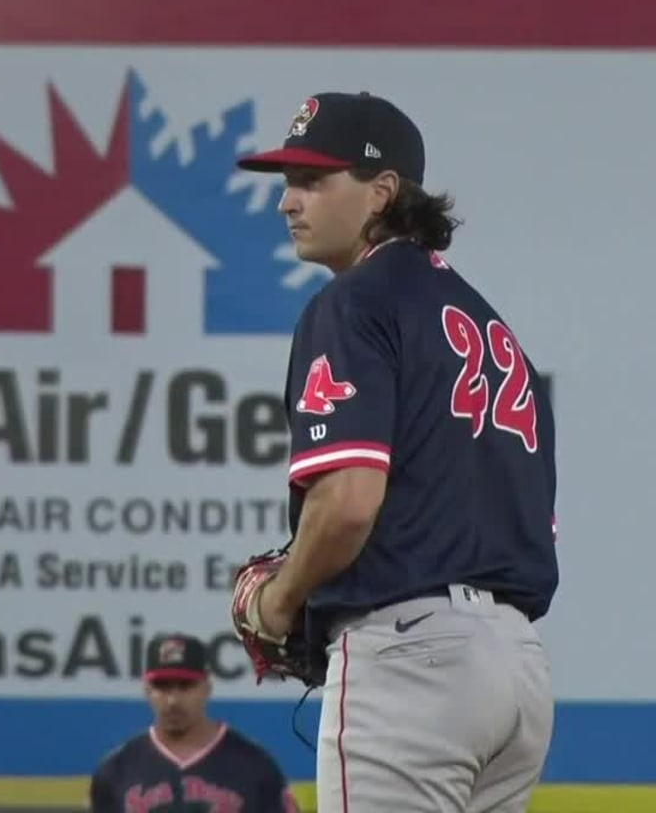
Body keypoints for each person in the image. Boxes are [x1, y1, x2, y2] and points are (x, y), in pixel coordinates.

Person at [231, 92, 560, 812]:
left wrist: (280, 603)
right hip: (517, 670)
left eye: (314, 181)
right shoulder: (493, 331)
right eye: (288, 182)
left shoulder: (355, 302)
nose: (289, 202)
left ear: (382, 192)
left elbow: (348, 503)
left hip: (414, 661)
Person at [89, 633, 300, 812]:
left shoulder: (255, 766)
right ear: (147, 689)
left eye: (185, 686)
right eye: (162, 686)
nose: (173, 700)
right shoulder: (116, 771)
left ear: (206, 686)